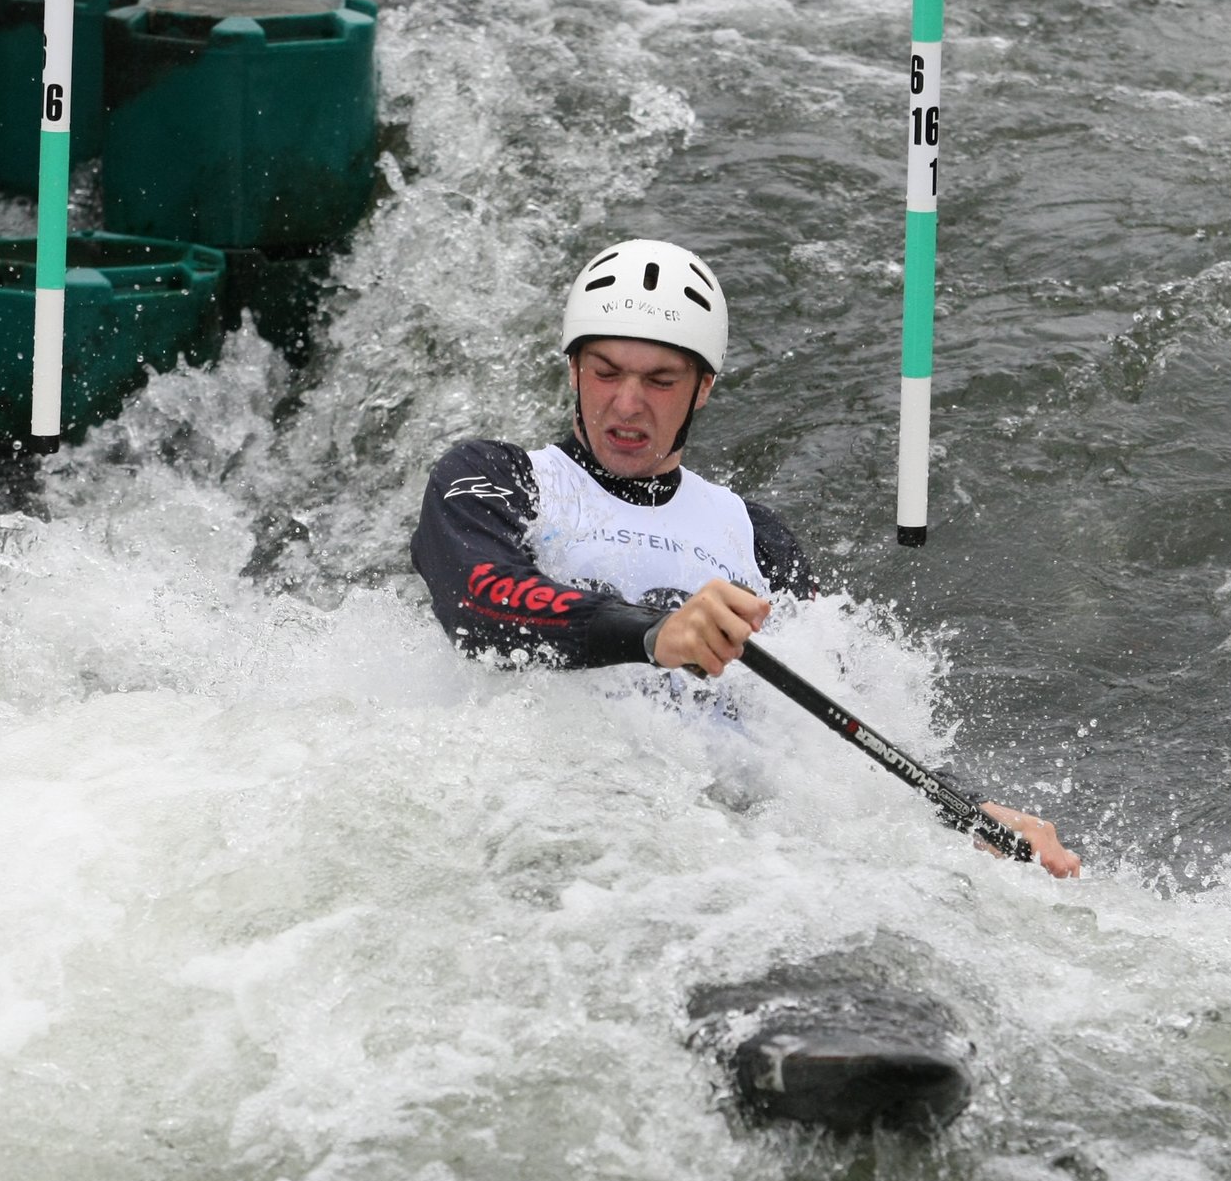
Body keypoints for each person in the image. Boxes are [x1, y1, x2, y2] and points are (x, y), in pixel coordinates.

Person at [411, 238, 1080, 877]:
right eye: (605, 371)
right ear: (572, 369)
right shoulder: (496, 476)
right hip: (557, 826)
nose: (626, 402)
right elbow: (479, 604)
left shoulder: (755, 535)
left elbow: (835, 721)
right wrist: (651, 632)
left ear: (703, 387)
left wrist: (963, 807)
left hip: (728, 854)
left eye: (661, 379)